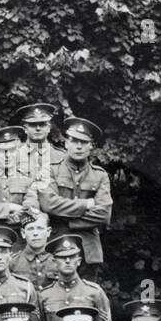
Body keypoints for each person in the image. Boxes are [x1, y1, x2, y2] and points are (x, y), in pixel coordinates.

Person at [39, 117, 112, 281]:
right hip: (57, 245)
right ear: (66, 143)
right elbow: (48, 204)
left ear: (91, 146)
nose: (79, 146)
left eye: (84, 142)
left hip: (88, 252)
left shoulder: (100, 175)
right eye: (74, 141)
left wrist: (67, 219)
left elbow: (104, 214)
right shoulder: (50, 170)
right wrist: (86, 204)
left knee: (86, 302)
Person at [38, 234, 114, 321]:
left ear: (78, 261)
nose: (67, 261)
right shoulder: (44, 295)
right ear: (54, 262)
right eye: (62, 258)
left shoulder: (94, 292)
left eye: (72, 257)